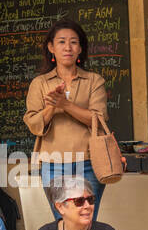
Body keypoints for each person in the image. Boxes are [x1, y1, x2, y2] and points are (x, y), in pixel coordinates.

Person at [24, 19, 109, 219]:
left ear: (80, 48)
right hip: (53, 163)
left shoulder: (94, 80)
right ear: (51, 47)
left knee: (87, 219)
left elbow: (99, 119)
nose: (68, 47)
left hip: (89, 162)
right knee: (62, 221)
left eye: (74, 42)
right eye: (61, 42)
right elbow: (33, 124)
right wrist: (52, 107)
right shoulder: (40, 83)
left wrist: (66, 105)